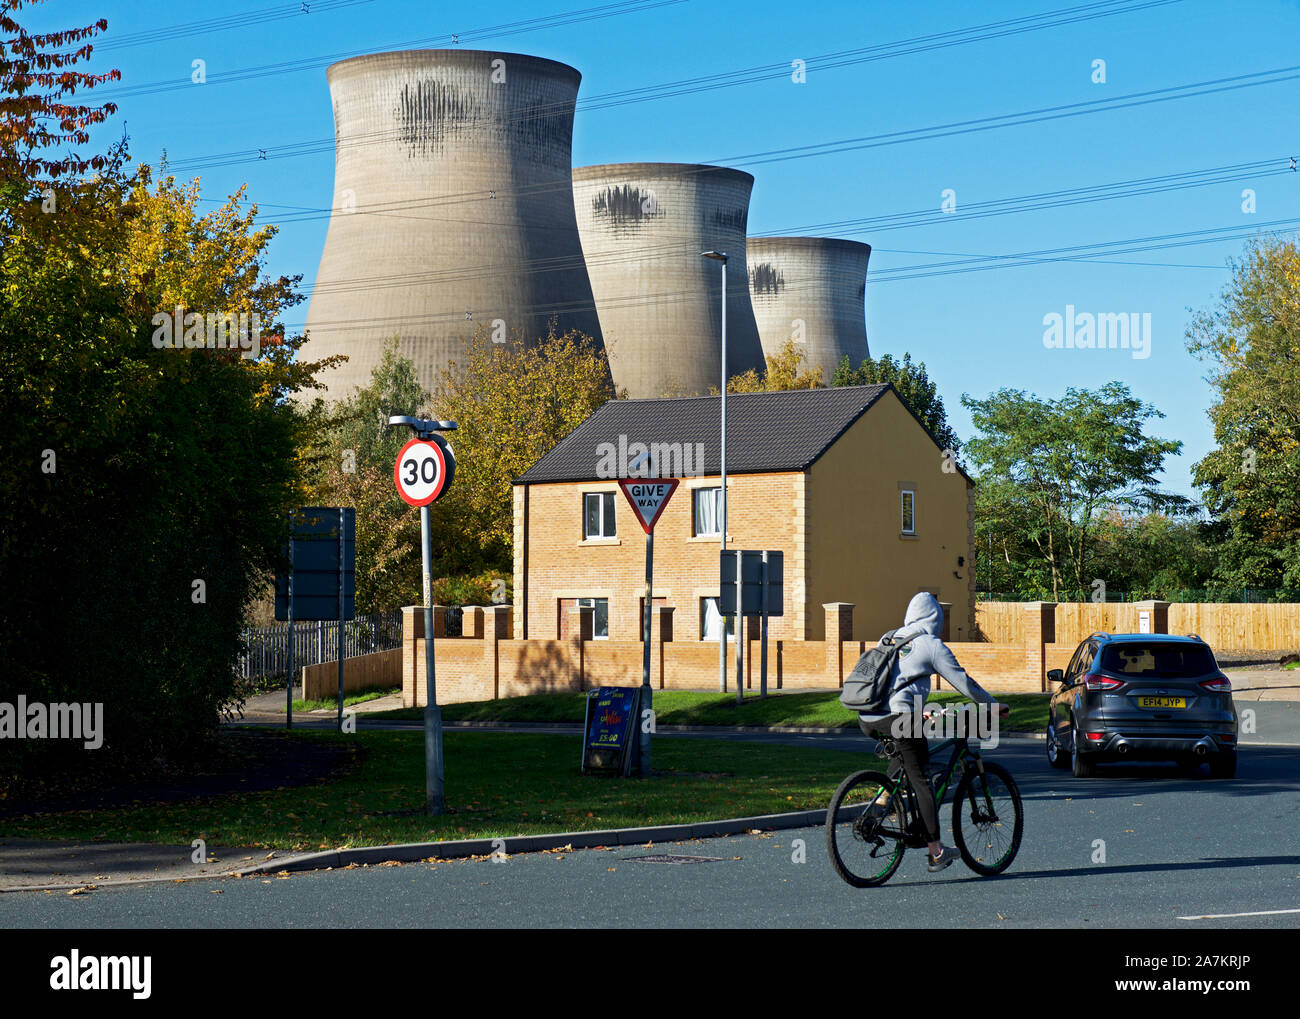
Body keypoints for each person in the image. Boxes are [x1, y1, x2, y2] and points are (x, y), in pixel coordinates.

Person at [858, 592, 1009, 872]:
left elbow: (894, 680)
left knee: (907, 755)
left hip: (868, 717)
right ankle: (936, 852)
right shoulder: (930, 644)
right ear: (934, 618)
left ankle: (881, 802)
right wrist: (993, 705)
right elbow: (964, 682)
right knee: (922, 780)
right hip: (899, 717)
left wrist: (920, 709)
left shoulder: (889, 637)